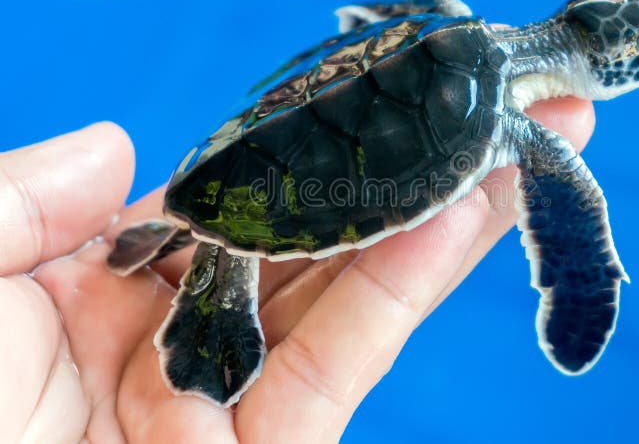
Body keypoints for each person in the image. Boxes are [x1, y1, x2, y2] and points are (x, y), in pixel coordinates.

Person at [0, 98, 593, 443]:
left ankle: (208, 237)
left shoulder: (445, 18)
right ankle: (220, 261)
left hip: (236, 163)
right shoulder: (521, 125)